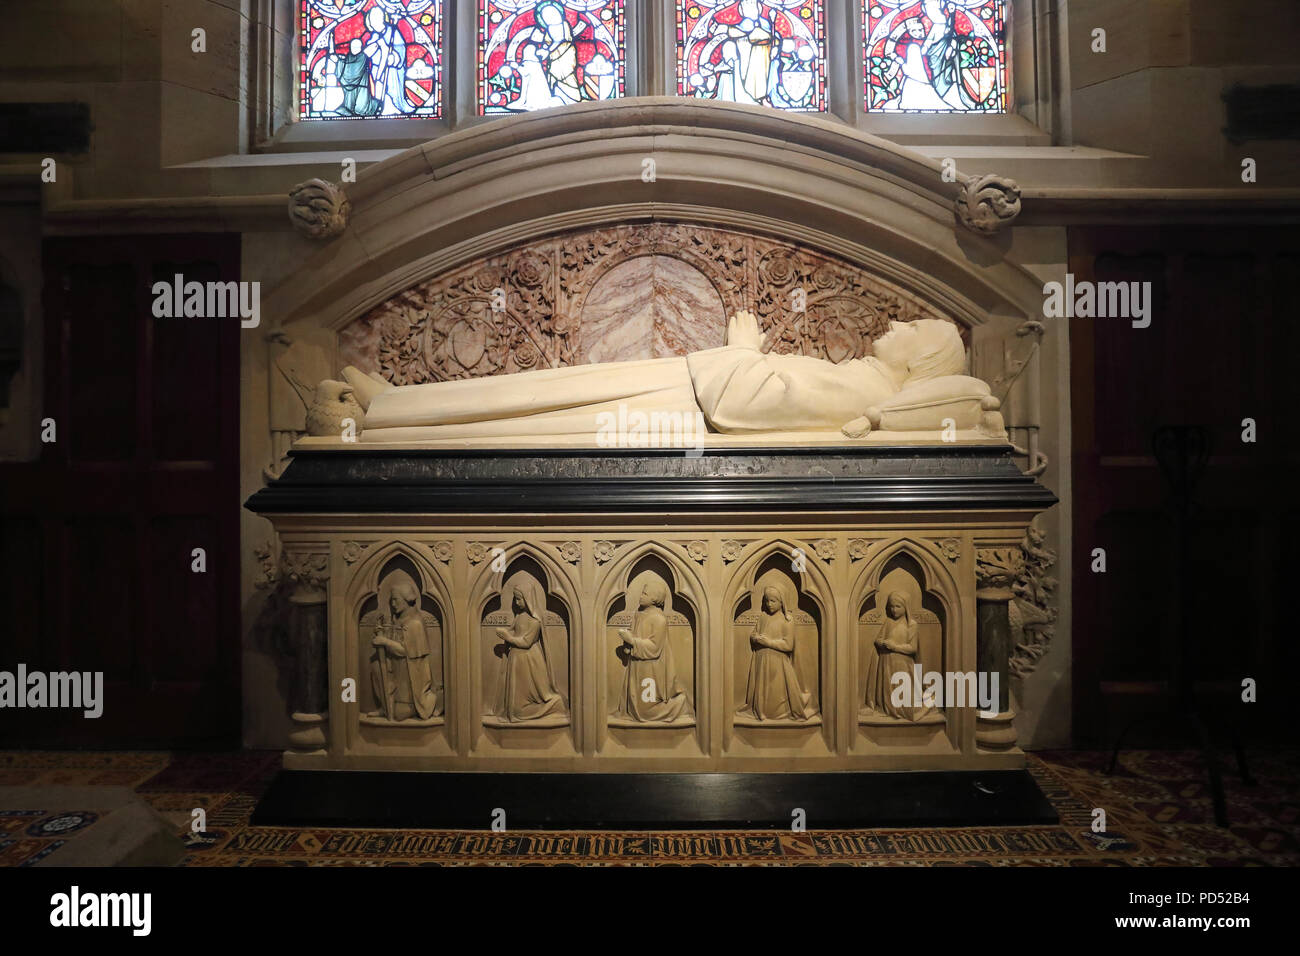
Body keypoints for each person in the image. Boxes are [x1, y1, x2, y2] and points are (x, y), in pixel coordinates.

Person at [341, 311, 994, 442]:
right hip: (683, 395)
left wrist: (743, 349)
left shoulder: (870, 386)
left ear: (919, 360)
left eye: (912, 328)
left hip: (684, 408)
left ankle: (393, 415)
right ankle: (398, 408)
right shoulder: (864, 377)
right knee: (532, 400)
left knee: (528, 409)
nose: (897, 324)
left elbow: (750, 403)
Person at [613, 580, 692, 723]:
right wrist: (627, 645)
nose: (640, 596)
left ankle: (679, 704)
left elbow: (654, 648)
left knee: (646, 709)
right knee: (634, 700)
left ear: (654, 598)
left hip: (651, 669)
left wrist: (631, 641)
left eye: (645, 593)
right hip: (637, 665)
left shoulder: (659, 619)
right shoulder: (639, 615)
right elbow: (634, 635)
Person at [489, 578, 566, 722]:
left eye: (519, 599)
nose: (516, 603)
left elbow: (526, 642)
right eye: (515, 600)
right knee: (514, 698)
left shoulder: (535, 621)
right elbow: (512, 629)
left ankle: (555, 706)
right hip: (516, 659)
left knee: (521, 703)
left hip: (529, 661)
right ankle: (512, 713)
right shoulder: (519, 616)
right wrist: (503, 631)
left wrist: (507, 636)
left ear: (528, 598)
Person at [738, 585, 816, 721]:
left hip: (778, 663)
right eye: (767, 601)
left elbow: (788, 645)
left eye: (773, 601)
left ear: (782, 602)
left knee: (776, 691)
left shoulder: (787, 620)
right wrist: (755, 637)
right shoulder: (763, 617)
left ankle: (777, 714)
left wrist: (767, 642)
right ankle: (761, 712)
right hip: (761, 660)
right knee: (762, 689)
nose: (769, 604)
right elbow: (754, 633)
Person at [368, 572, 439, 721]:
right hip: (396, 668)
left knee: (398, 714)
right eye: (391, 601)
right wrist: (382, 635)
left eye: (396, 600)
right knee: (376, 666)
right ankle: (385, 705)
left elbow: (405, 650)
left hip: (410, 673)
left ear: (407, 600)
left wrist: (384, 642)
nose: (393, 604)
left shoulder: (415, 623)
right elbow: (395, 641)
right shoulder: (400, 620)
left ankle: (420, 704)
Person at [862, 590, 933, 720]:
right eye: (891, 606)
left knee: (903, 691)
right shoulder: (888, 622)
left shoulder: (912, 625)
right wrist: (882, 643)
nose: (894, 610)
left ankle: (904, 711)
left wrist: (895, 646)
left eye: (897, 606)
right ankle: (889, 710)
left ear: (906, 607)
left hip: (903, 665)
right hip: (887, 663)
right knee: (888, 690)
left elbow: (913, 648)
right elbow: (878, 638)